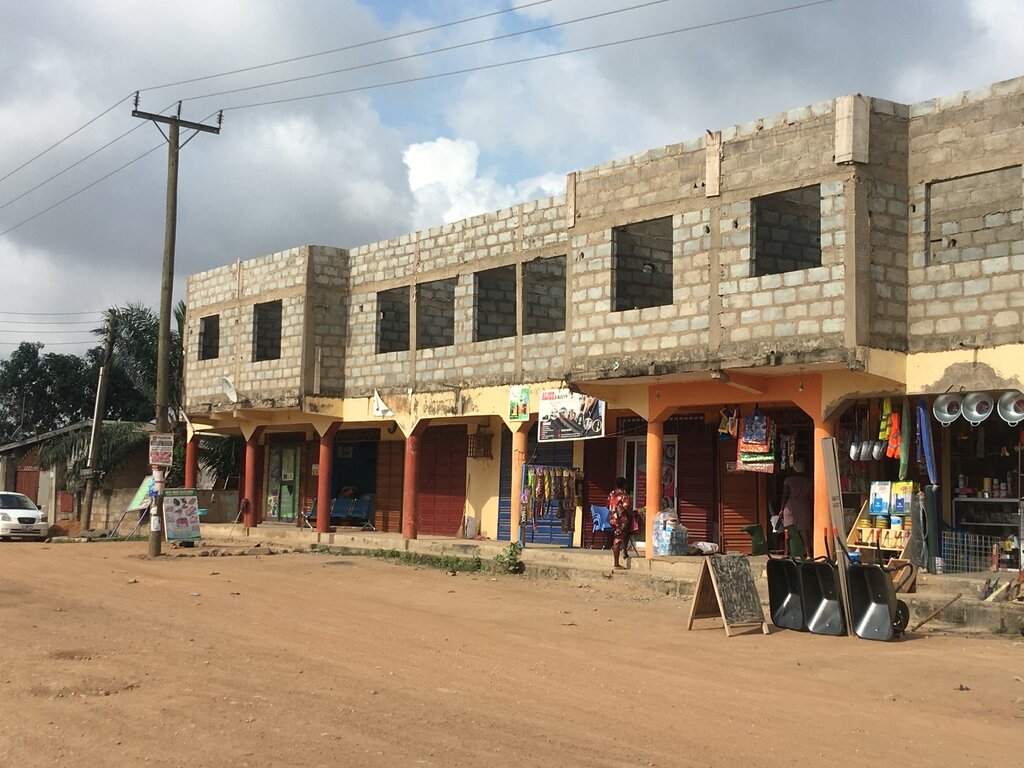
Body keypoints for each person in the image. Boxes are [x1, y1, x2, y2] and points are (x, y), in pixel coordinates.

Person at [781, 459, 813, 556]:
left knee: (788, 530)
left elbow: (785, 495)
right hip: (804, 505)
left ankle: (786, 553)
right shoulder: (808, 481)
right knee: (804, 531)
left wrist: (782, 509)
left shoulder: (788, 480)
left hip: (790, 505)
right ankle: (808, 554)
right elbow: (811, 496)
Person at [607, 476, 633, 570]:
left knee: (625, 534)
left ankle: (625, 552)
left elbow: (608, 505)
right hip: (621, 520)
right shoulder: (624, 495)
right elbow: (626, 507)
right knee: (618, 539)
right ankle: (616, 564)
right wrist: (632, 513)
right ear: (624, 484)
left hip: (613, 518)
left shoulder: (611, 494)